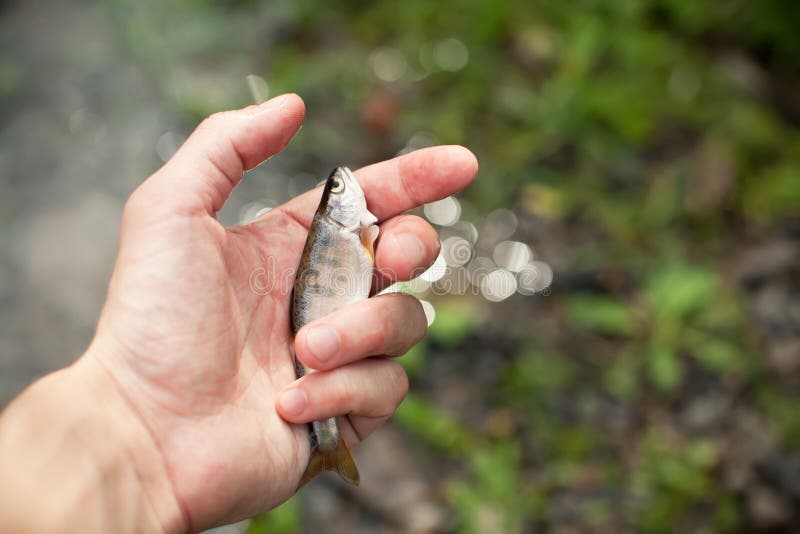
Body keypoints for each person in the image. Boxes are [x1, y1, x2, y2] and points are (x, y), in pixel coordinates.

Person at [0, 94, 478, 532]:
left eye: (334, 188)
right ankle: (326, 448)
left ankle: (325, 446)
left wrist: (133, 426)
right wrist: (136, 410)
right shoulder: (346, 229)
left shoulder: (345, 230)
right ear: (337, 205)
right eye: (337, 188)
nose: (342, 185)